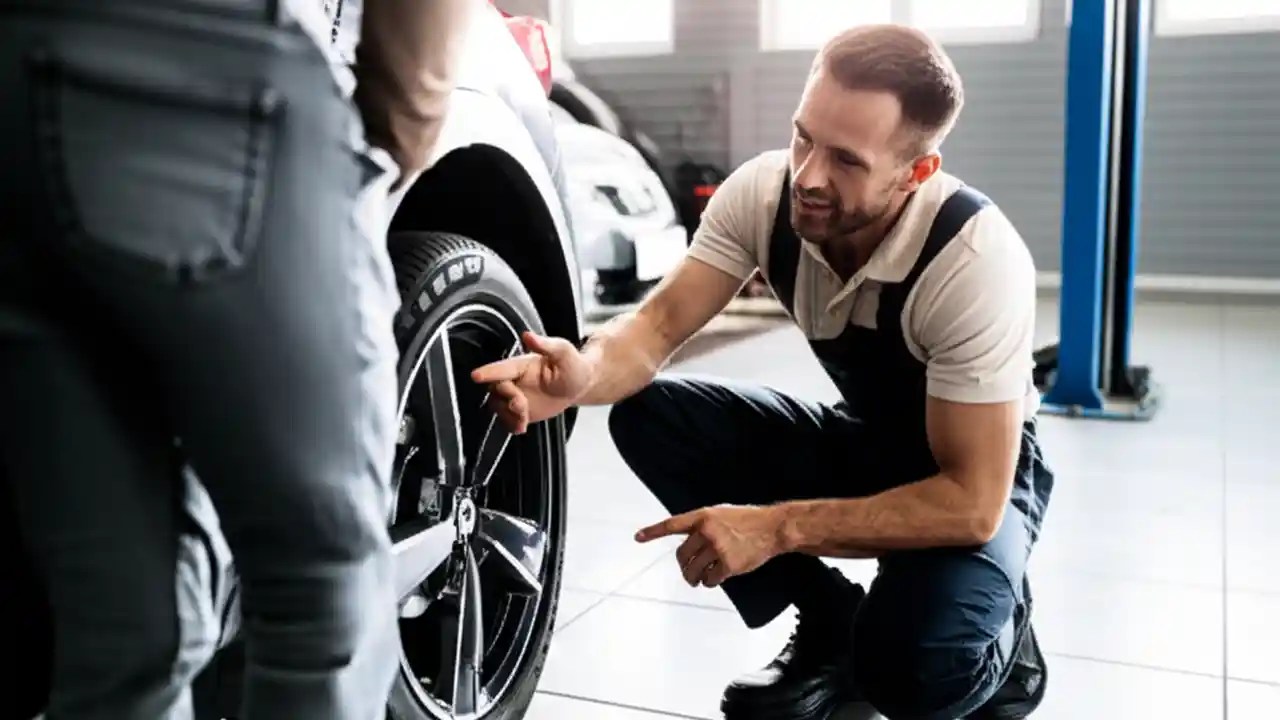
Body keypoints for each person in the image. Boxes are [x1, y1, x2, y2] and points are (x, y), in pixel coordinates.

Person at [471, 23, 1055, 720]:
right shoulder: (764, 195)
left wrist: (775, 527)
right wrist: (583, 375)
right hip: (868, 439)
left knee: (918, 671)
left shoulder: (974, 261)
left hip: (973, 476)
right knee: (653, 417)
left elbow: (970, 502)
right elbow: (656, 328)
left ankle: (1006, 642)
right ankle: (831, 620)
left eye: (846, 160)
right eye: (803, 136)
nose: (808, 175)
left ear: (915, 172)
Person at [0, 0, 471, 717]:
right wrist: (394, 128)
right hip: (210, 74)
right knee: (320, 593)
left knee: (123, 630)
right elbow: (412, 74)